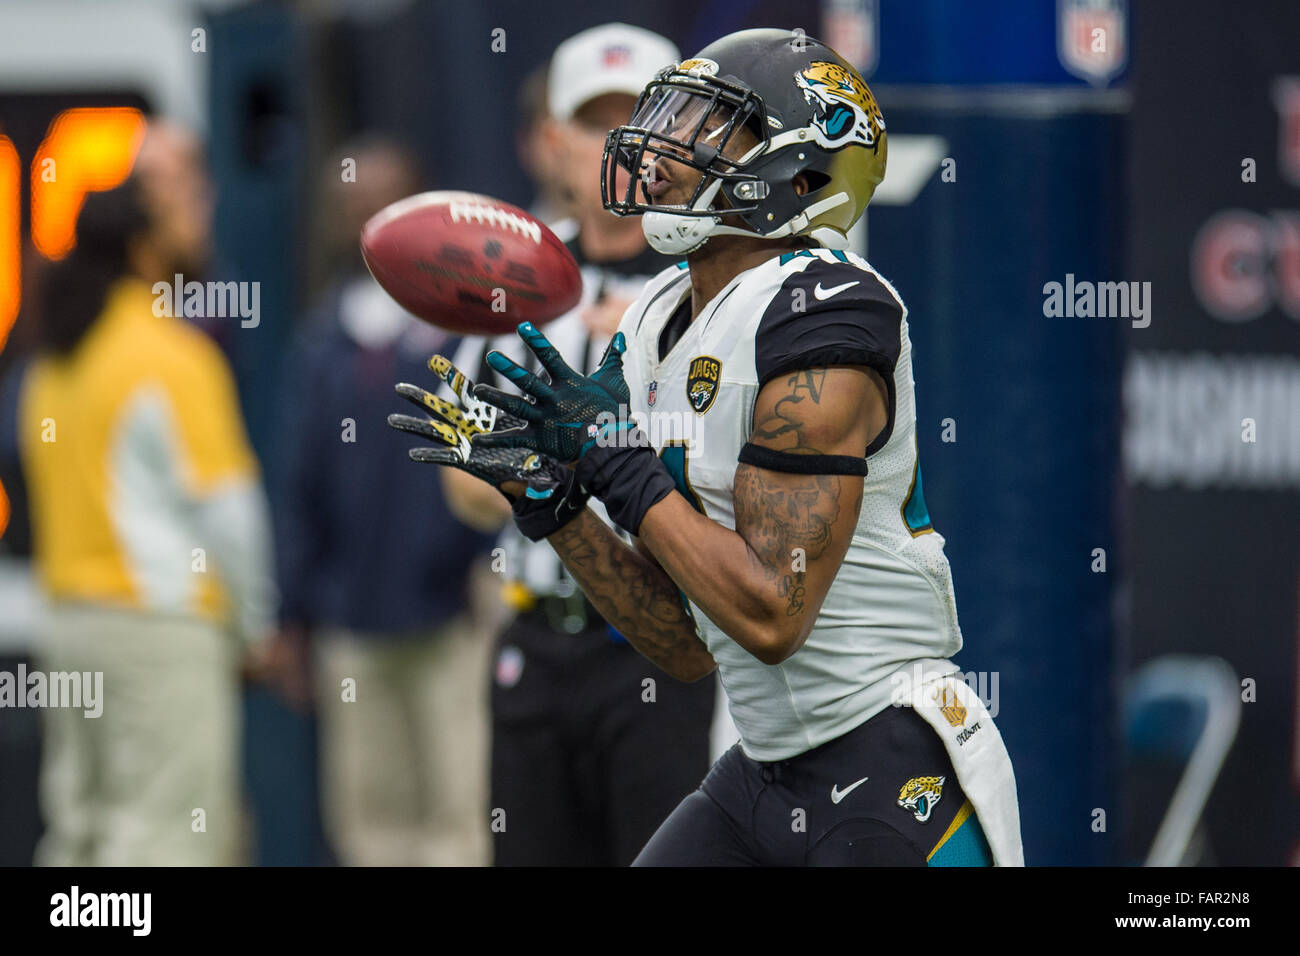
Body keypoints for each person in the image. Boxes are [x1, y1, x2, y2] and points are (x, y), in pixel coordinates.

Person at [405, 28, 1023, 866]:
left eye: (704, 127)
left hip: (889, 759)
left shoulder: (828, 310)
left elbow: (772, 613)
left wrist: (616, 464)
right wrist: (555, 508)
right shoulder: (658, 316)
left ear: (797, 173)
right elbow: (684, 642)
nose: (661, 152)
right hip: (766, 767)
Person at [392, 23, 718, 867]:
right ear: (550, 142)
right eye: (593, 123)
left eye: (639, 121)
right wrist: (546, 462)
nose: (617, 148)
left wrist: (633, 398)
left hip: (660, 642)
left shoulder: (716, 283)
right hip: (537, 636)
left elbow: (731, 465)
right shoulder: (509, 279)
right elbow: (463, 480)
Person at [19, 132, 275, 865]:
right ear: (142, 245)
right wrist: (254, 628)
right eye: (182, 215)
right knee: (166, 838)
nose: (201, 225)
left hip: (68, 625)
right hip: (159, 631)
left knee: (81, 833)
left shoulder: (52, 364)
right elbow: (229, 515)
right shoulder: (174, 355)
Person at [273, 136, 496, 866]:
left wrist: (477, 571)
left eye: (387, 201)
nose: (371, 218)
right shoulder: (320, 345)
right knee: (370, 818)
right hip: (353, 625)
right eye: (353, 206)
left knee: (459, 811)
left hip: (452, 618)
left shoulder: (469, 333)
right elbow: (298, 486)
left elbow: (495, 470)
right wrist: (295, 612)